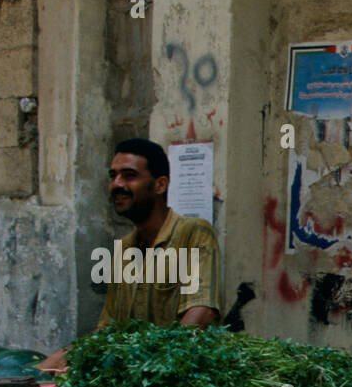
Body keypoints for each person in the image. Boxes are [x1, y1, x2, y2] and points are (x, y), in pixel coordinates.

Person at [38, 138, 224, 371]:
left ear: (160, 185)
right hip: (134, 380)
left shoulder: (194, 233)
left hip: (182, 378)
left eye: (129, 175)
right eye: (113, 176)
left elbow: (201, 313)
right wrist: (63, 358)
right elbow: (109, 329)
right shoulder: (124, 249)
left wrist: (151, 370)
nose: (116, 184)